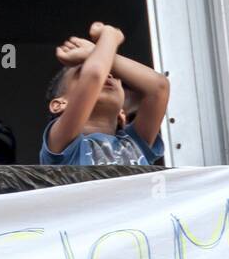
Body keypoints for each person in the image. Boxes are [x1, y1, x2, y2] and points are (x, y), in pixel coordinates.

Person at [40, 23, 169, 165]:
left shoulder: (134, 144)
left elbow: (159, 87)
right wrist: (110, 35)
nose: (107, 75)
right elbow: (94, 75)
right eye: (81, 72)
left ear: (122, 113)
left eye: (112, 73)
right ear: (60, 104)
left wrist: (94, 52)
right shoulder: (62, 142)